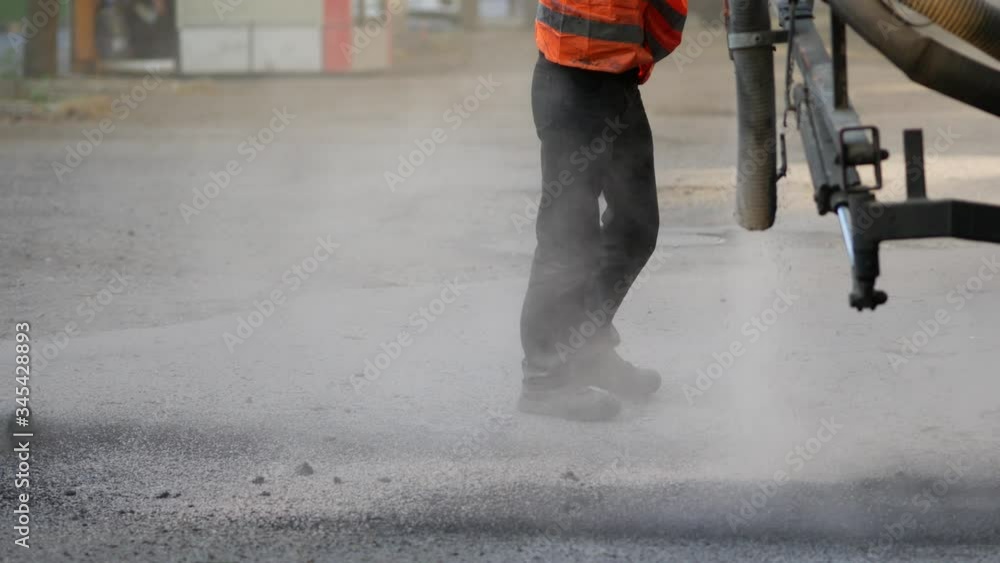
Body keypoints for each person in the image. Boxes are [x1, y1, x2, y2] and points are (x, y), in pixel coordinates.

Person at [517, 0, 687, 420]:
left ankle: (586, 350)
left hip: (616, 78)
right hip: (572, 77)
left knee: (636, 225)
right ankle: (544, 379)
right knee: (568, 238)